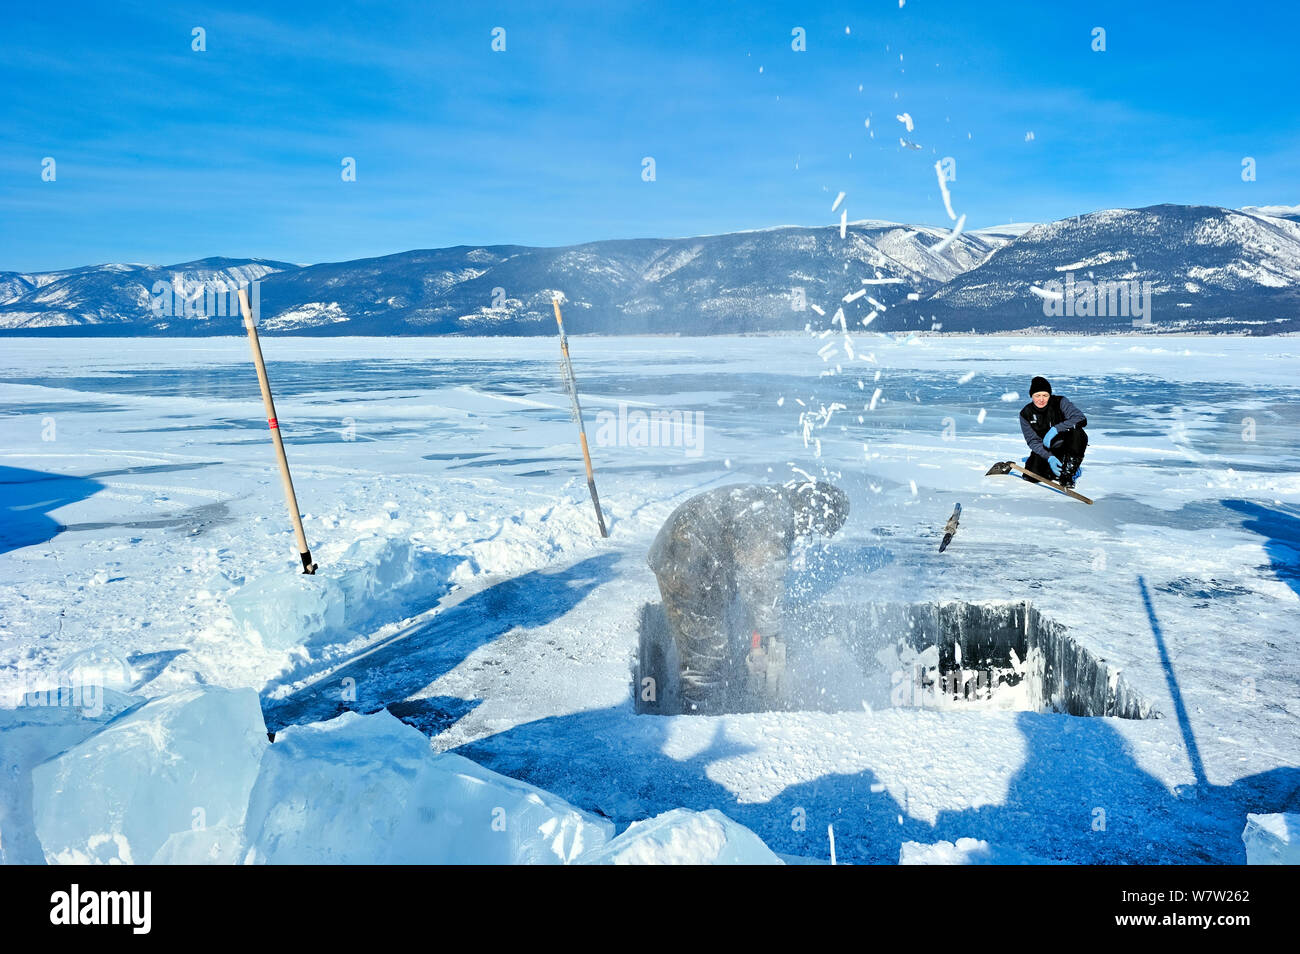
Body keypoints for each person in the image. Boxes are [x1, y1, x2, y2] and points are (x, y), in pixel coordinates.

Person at [646, 480, 849, 714]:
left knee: (720, 648)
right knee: (705, 662)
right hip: (688, 563)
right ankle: (697, 723)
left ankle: (712, 707)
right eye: (815, 530)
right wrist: (770, 631)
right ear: (814, 512)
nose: (809, 534)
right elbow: (763, 578)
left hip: (694, 558)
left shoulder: (774, 498)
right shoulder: (775, 515)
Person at [1019, 376, 1088, 488]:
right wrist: (1049, 457)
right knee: (1031, 475)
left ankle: (1068, 472)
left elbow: (1080, 418)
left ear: (1049, 395)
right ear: (1031, 396)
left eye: (1045, 395)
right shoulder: (1025, 413)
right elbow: (1033, 441)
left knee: (1078, 433)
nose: (1041, 399)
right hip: (1047, 449)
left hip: (1067, 446)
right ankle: (1054, 469)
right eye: (1037, 395)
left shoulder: (1060, 402)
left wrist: (1056, 429)